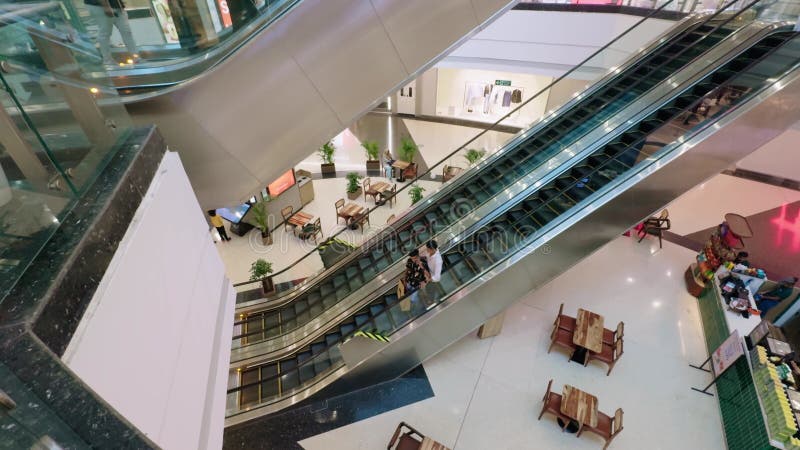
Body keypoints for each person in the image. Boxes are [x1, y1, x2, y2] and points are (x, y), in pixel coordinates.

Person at [85, 0, 139, 65]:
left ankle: (135, 56)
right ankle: (107, 60)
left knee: (126, 31)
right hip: (100, 5)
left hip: (116, 6)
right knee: (105, 32)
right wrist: (106, 6)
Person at [422, 240, 443, 307]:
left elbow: (437, 278)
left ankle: (431, 302)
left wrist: (427, 280)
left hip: (433, 278)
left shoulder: (438, 261)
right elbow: (426, 257)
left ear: (433, 249)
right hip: (429, 270)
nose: (427, 250)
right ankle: (428, 298)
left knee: (431, 291)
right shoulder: (430, 252)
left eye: (428, 249)